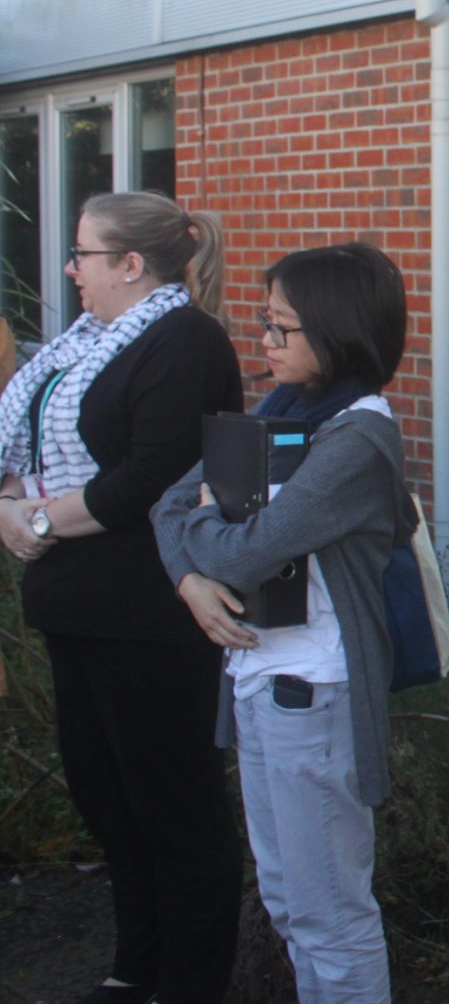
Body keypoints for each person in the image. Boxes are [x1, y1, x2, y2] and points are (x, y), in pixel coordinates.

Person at [0, 192, 243, 1004]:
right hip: (74, 605)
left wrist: (34, 516)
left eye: (83, 254)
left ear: (131, 264)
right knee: (110, 802)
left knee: (174, 808)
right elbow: (23, 434)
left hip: (151, 614)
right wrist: (13, 505)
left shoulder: (184, 340)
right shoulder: (83, 342)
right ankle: (134, 964)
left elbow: (151, 475)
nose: (71, 269)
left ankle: (190, 981)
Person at [152, 242, 411, 1004]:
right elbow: (168, 504)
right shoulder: (280, 411)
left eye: (279, 329)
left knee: (332, 915)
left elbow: (255, 549)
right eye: (264, 325)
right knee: (290, 905)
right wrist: (193, 581)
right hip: (261, 681)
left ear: (336, 330)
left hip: (315, 693)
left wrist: (210, 555)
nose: (263, 344)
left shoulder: (356, 438)